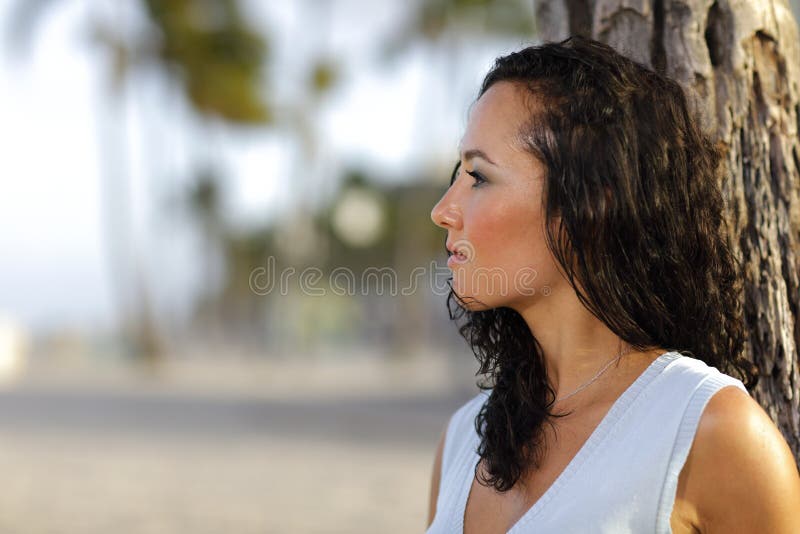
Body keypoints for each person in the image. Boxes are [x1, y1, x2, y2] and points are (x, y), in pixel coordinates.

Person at [426, 36, 800, 533]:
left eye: (478, 176)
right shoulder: (461, 443)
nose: (443, 211)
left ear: (591, 202)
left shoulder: (711, 435)